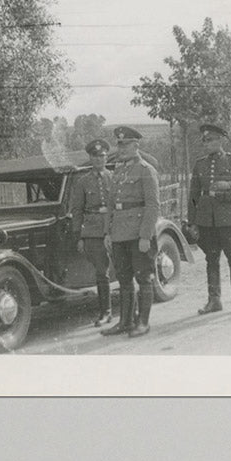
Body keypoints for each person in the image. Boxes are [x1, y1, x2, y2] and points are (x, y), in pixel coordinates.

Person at [188, 123, 231, 315]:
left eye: (210, 140)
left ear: (220, 141)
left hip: (229, 219)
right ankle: (214, 300)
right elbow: (193, 196)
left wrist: (228, 185)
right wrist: (192, 222)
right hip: (206, 220)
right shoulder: (200, 164)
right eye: (204, 141)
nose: (206, 144)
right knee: (211, 259)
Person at [100, 126, 160, 337]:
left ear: (136, 145)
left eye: (126, 145)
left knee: (144, 278)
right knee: (124, 279)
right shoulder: (118, 171)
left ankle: (143, 322)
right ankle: (125, 322)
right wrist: (108, 233)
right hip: (119, 233)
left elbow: (152, 205)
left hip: (137, 233)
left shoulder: (146, 170)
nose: (122, 149)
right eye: (119, 145)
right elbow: (111, 205)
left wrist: (145, 235)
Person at [68, 138, 115, 326]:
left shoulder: (114, 177)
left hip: (114, 228)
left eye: (102, 156)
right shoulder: (82, 182)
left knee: (124, 268)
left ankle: (130, 310)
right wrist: (79, 237)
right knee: (101, 272)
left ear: (106, 157)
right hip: (93, 231)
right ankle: (106, 312)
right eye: (95, 156)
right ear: (90, 158)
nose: (99, 159)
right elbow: (77, 210)